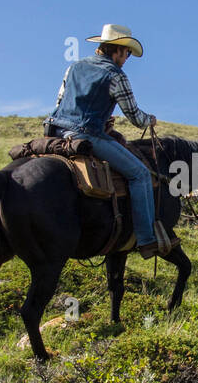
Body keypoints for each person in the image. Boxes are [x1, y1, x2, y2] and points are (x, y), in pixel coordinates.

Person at [44, 23, 171, 258]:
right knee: (140, 174)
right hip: (86, 134)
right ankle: (146, 239)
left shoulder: (74, 67)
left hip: (54, 132)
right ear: (118, 50)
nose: (127, 58)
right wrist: (150, 120)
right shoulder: (115, 75)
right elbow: (134, 116)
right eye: (127, 53)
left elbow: (61, 101)